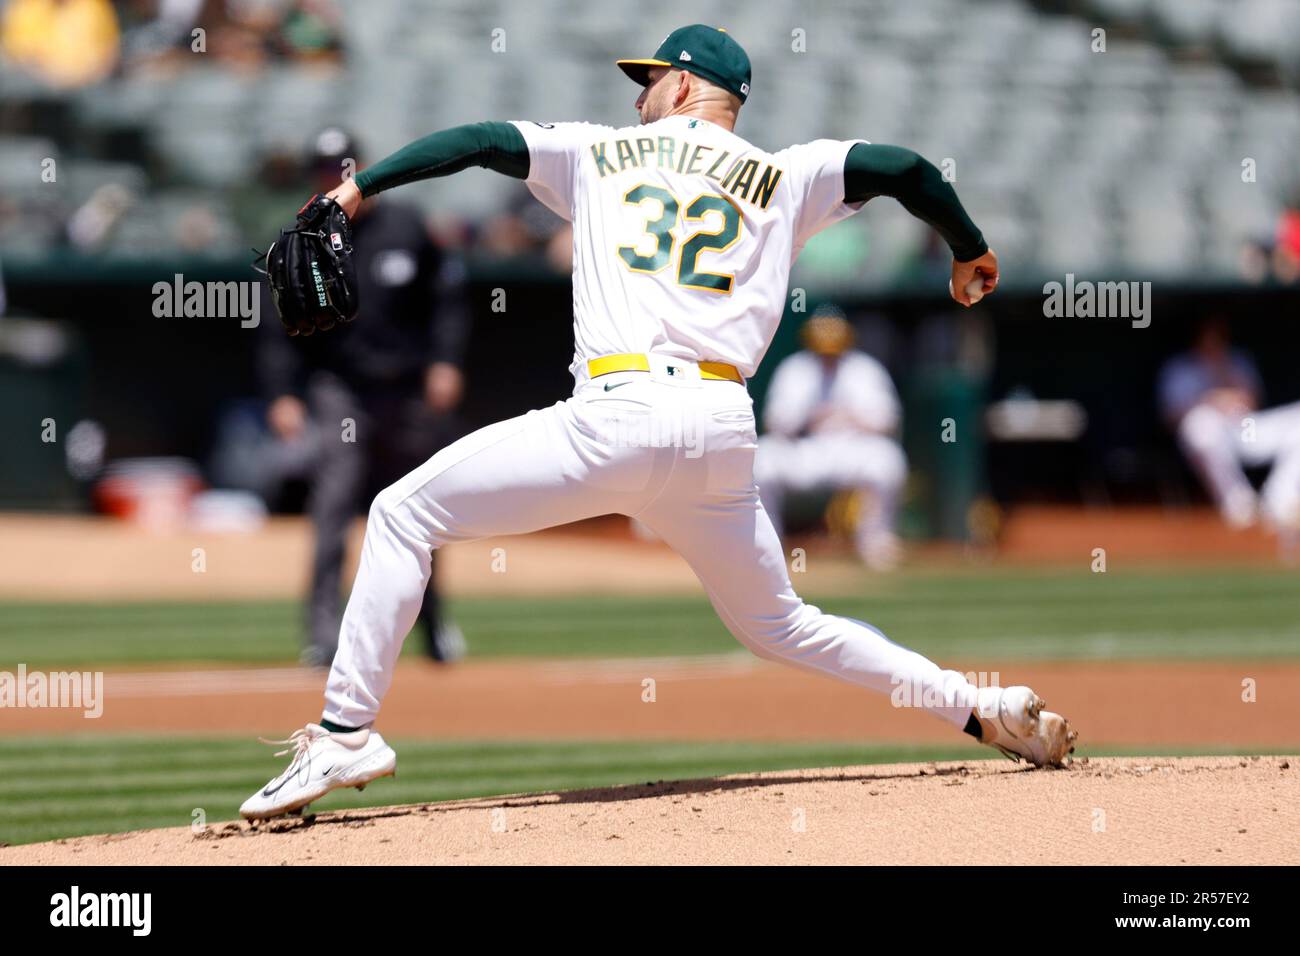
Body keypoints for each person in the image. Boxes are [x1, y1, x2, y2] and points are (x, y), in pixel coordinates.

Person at [241, 25, 1075, 820]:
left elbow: (478, 138)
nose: (639, 96)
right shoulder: (786, 174)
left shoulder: (597, 151)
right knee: (781, 623)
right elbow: (906, 167)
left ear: (682, 84)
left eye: (649, 81)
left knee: (401, 512)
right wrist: (969, 247)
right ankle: (980, 707)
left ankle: (346, 733)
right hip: (720, 430)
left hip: (619, 414)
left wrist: (354, 190)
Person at [259, 127, 470, 668]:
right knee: (333, 510)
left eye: (345, 169)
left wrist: (445, 360)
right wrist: (283, 392)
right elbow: (277, 325)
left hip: (405, 390)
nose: (337, 179)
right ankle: (322, 635)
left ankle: (434, 627)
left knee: (420, 515)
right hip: (341, 390)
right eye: (327, 170)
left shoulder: (407, 227)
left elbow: (447, 300)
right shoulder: (303, 240)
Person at [755, 308, 906, 569]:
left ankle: (875, 541)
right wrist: (807, 412)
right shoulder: (796, 368)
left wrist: (850, 415)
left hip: (852, 448)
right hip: (806, 450)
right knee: (763, 458)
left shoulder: (864, 368)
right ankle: (768, 545)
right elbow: (775, 423)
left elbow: (887, 420)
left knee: (887, 459)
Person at [1158, 316, 1300, 531]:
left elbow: (1251, 399)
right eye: (1208, 337)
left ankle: (1279, 500)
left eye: (1218, 337)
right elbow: (1171, 415)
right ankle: (1239, 504)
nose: (1213, 342)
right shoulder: (1179, 368)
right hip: (1211, 433)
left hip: (1245, 428)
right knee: (1199, 426)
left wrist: (1220, 370)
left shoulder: (1238, 360)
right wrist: (1210, 399)